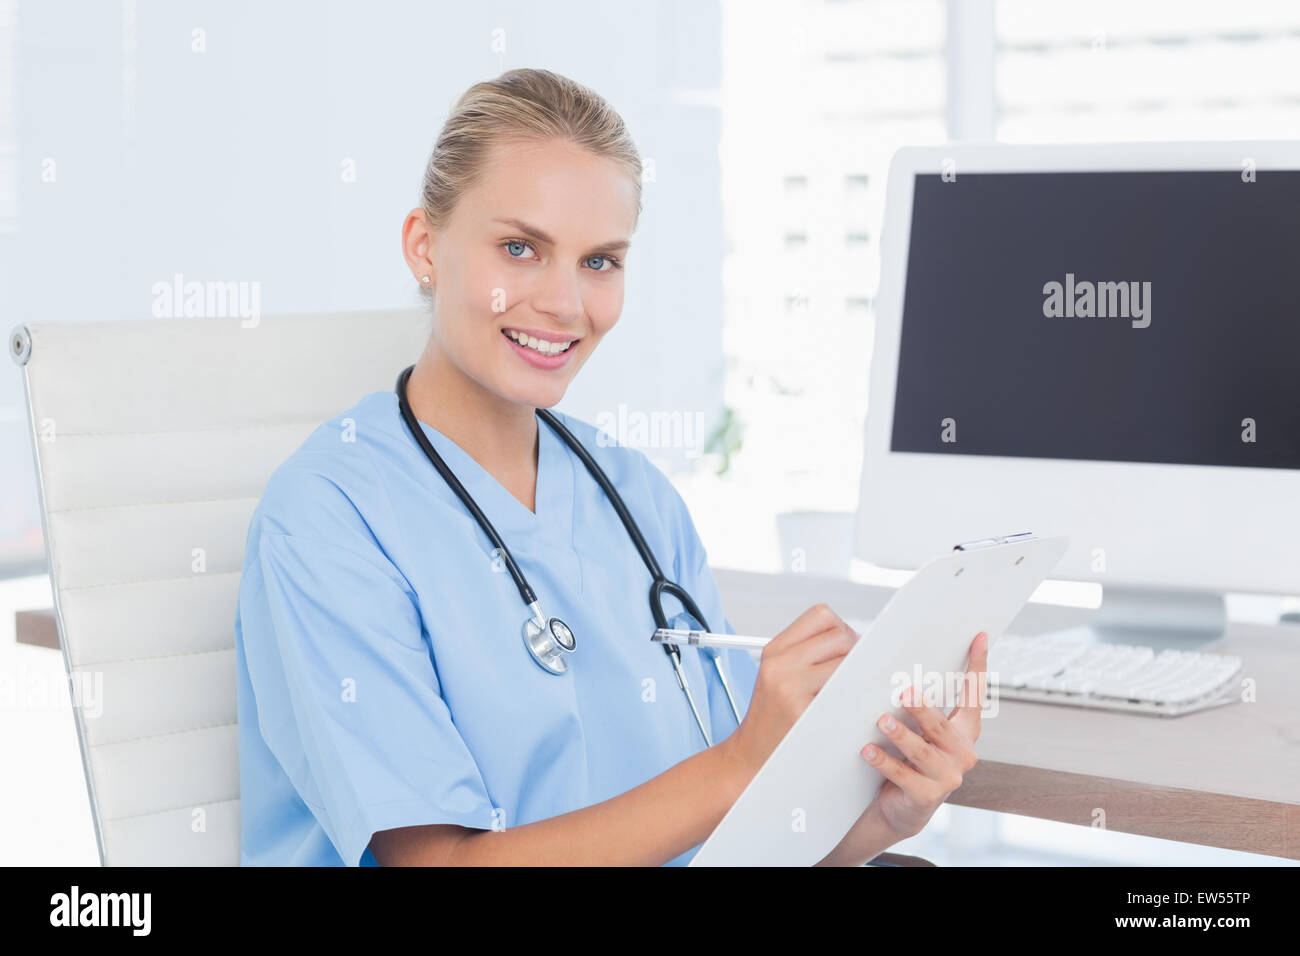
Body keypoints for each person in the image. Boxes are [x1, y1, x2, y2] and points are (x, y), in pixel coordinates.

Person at [234, 67, 985, 866]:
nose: (565, 303)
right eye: (519, 248)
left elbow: (736, 842)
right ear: (425, 247)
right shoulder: (330, 517)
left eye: (599, 262)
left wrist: (883, 819)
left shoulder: (636, 498)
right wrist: (741, 764)